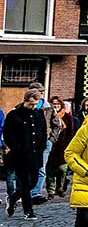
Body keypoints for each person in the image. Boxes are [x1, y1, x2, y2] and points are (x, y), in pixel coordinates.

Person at [4, 89, 47, 219]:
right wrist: (14, 147)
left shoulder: (39, 114)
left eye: (35, 104)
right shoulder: (14, 115)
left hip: (35, 155)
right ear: (25, 100)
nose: (33, 107)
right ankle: (28, 211)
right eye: (31, 104)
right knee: (25, 183)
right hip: (20, 155)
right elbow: (7, 133)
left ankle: (13, 198)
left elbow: (43, 132)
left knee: (33, 182)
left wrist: (42, 147)